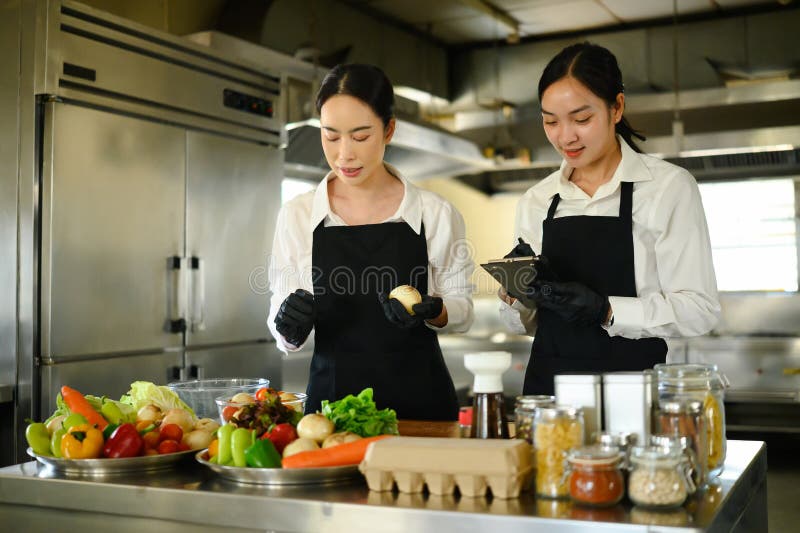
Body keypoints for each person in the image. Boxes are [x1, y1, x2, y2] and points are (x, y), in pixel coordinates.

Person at [499, 42, 720, 395]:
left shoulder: (667, 188)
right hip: (551, 394)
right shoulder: (537, 200)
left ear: (616, 107)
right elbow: (526, 325)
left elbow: (700, 310)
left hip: (634, 392)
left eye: (582, 119)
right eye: (550, 121)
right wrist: (515, 293)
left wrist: (606, 310)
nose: (565, 136)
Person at [268, 64, 474, 420]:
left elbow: (463, 311)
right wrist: (287, 325)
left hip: (421, 408)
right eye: (331, 136)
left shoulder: (434, 213)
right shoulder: (297, 215)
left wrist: (434, 308)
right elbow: (279, 320)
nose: (344, 154)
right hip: (332, 413)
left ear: (389, 129)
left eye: (360, 136)